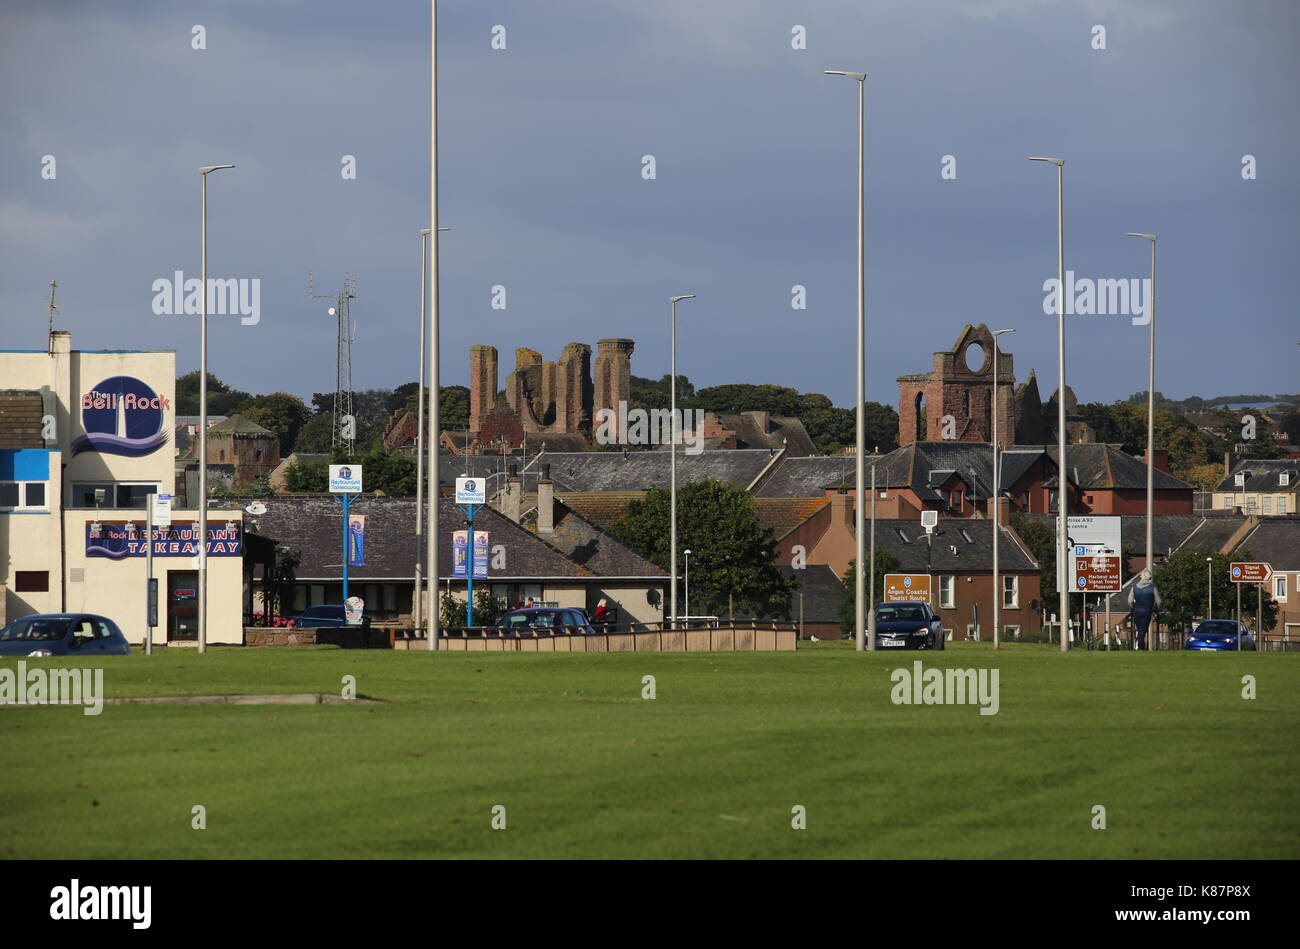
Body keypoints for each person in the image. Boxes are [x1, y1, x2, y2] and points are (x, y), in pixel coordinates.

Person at [1127, 568, 1162, 651]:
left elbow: (1130, 600)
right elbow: (1158, 601)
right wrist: (1157, 608)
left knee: (1140, 629)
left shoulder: (1134, 587)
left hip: (1136, 611)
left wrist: (1133, 607)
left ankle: (1141, 646)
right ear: (1149, 578)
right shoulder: (1152, 587)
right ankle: (1140, 647)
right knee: (1143, 630)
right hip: (1147, 611)